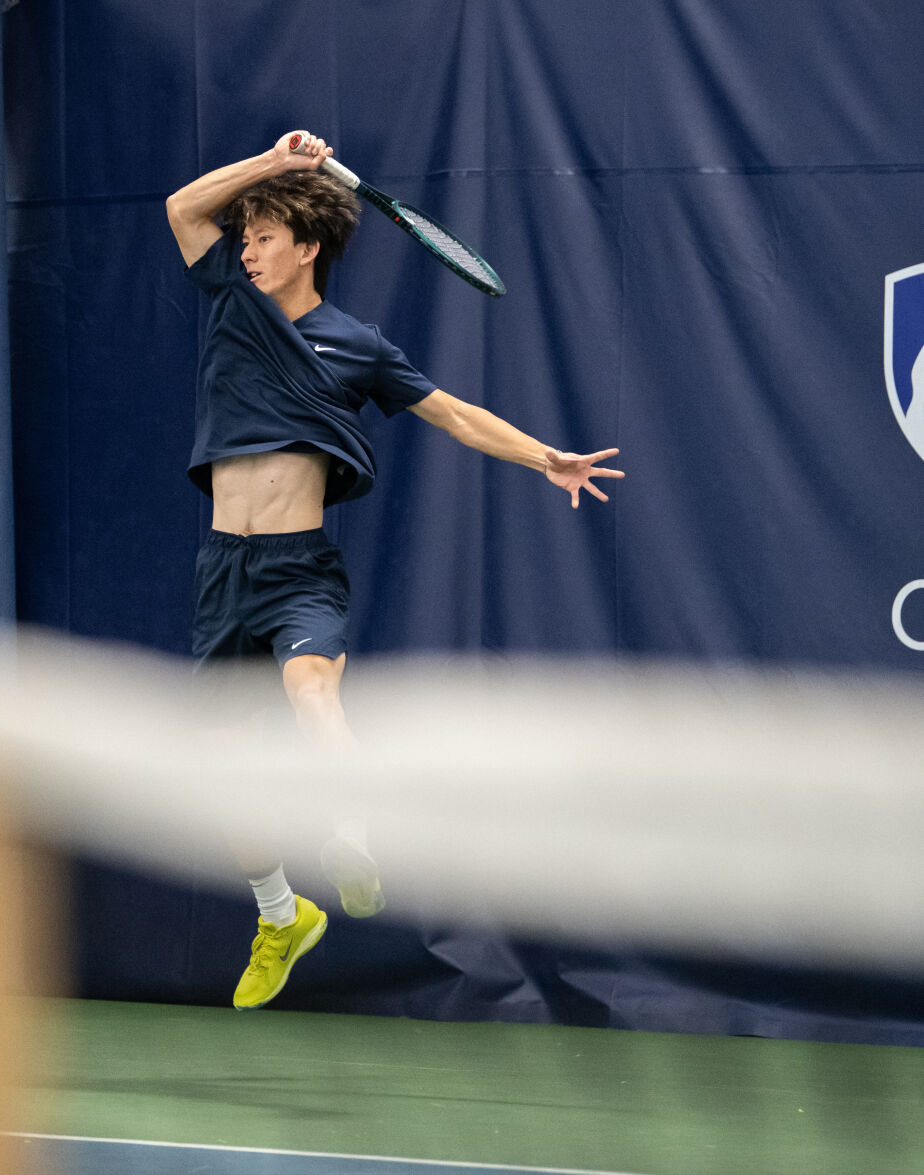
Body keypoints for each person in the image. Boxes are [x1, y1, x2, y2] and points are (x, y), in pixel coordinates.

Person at [164, 131, 623, 1010]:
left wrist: (547, 459)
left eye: (264, 236)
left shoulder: (356, 345)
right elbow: (183, 209)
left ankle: (352, 832)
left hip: (300, 568)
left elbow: (456, 415)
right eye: (246, 235)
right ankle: (281, 914)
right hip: (223, 570)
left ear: (308, 248)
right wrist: (270, 164)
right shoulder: (228, 296)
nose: (248, 247)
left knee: (312, 694)